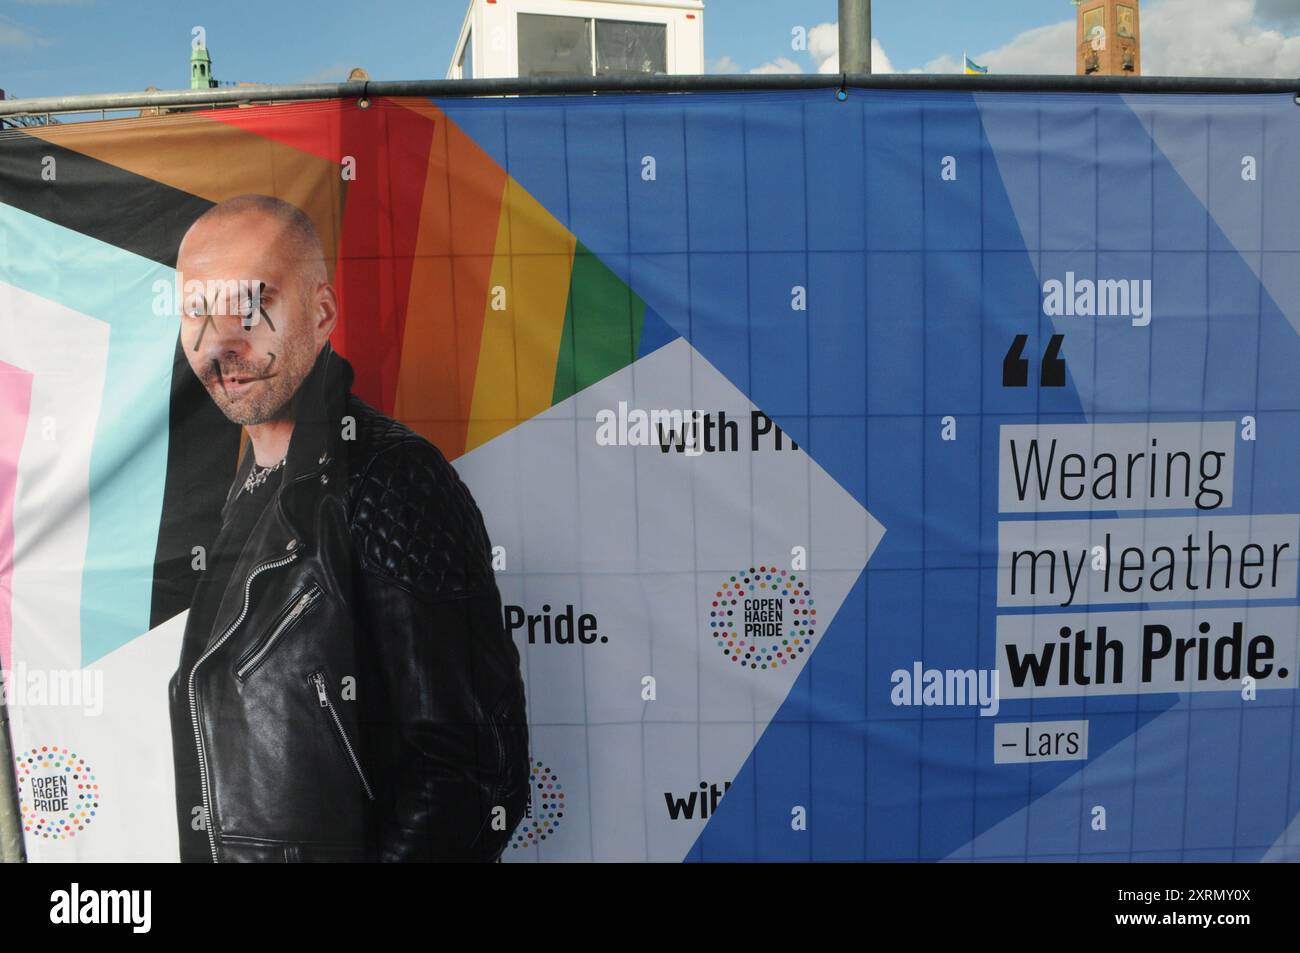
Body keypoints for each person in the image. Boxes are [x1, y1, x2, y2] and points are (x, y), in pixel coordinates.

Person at [165, 194, 528, 862]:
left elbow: (473, 772)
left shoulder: (389, 478)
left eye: (252, 302)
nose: (222, 339)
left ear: (323, 312)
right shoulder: (252, 489)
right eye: (197, 309)